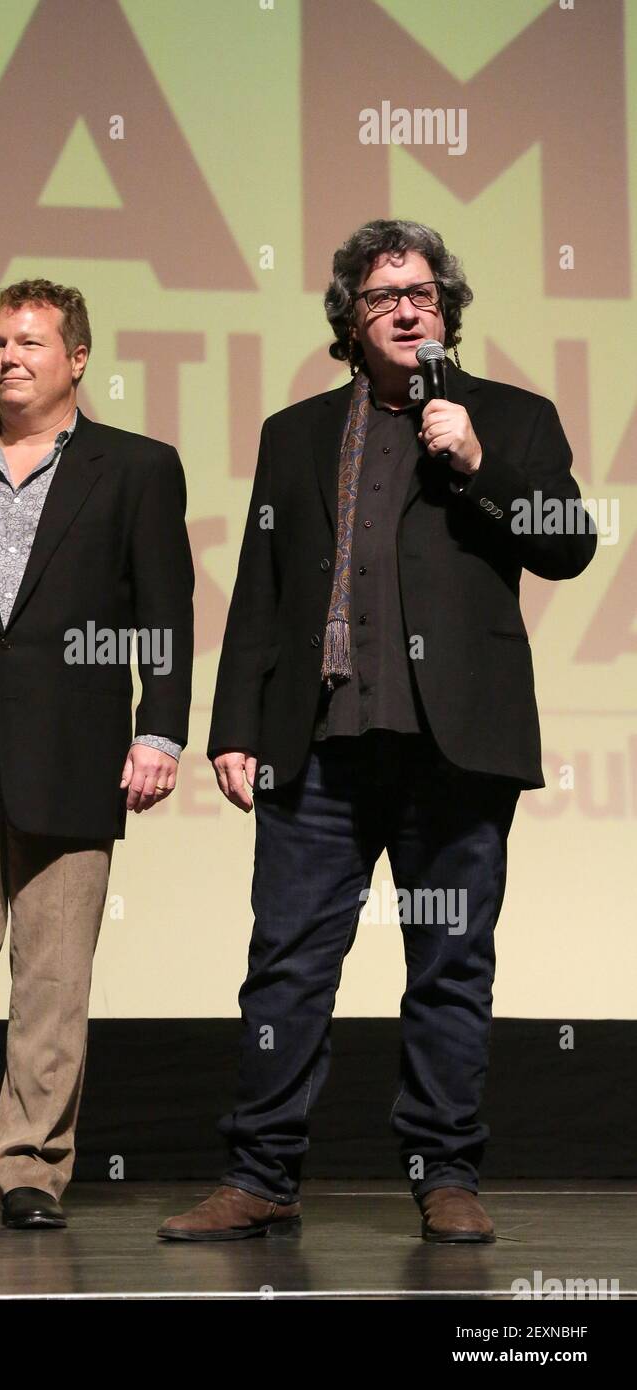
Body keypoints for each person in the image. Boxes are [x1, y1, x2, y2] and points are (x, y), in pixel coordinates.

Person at [158, 219, 597, 1244]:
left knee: (450, 966)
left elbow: (570, 544)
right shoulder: (297, 434)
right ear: (349, 322)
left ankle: (447, 1174)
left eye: (424, 294)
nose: (407, 309)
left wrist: (480, 462)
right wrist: (234, 724)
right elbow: (262, 588)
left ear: (448, 313)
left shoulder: (511, 417)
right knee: (287, 966)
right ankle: (261, 1174)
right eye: (383, 296)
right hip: (320, 746)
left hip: (456, 751)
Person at [0, 278, 194, 1229]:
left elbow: (164, 609)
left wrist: (159, 729)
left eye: (30, 342)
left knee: (53, 981)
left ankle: (29, 1170)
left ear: (78, 358)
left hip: (75, 753)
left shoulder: (136, 467)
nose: (9, 357)